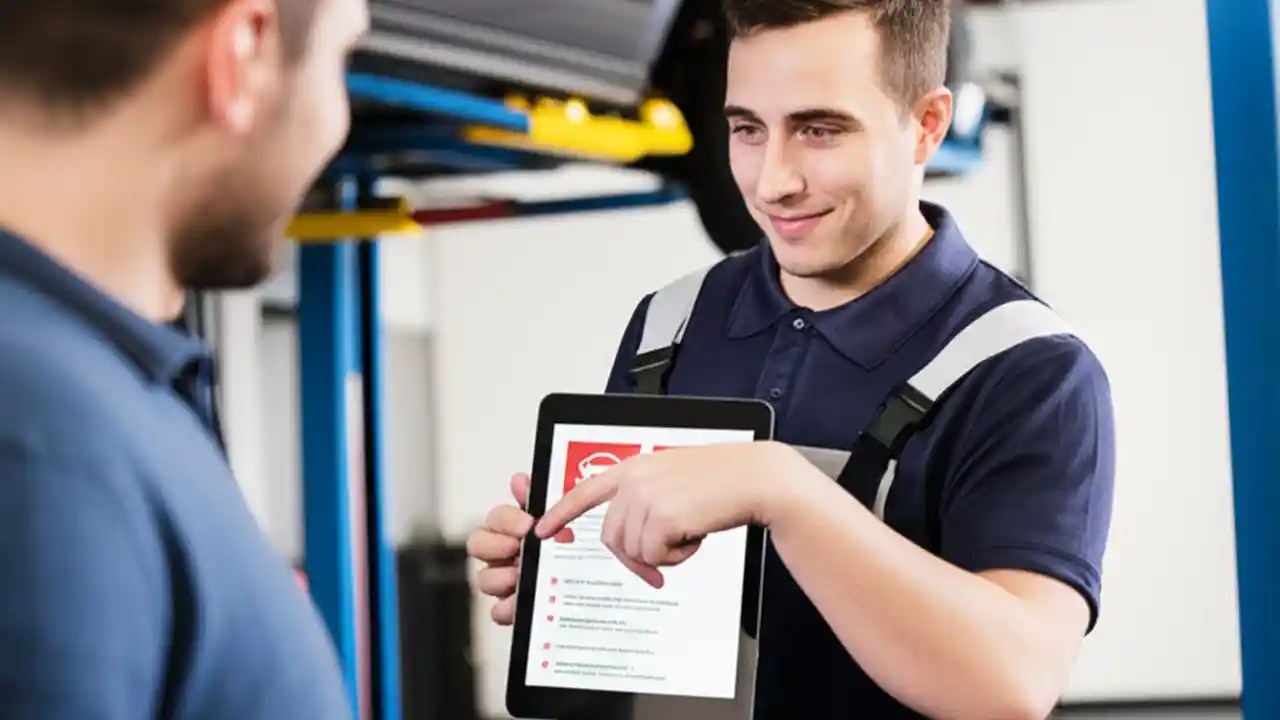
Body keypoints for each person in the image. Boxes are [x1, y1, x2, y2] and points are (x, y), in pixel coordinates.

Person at [466, 1, 1116, 718]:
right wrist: (570, 579)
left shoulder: (1029, 371)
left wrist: (786, 489)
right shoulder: (668, 325)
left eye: (819, 130)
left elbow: (1010, 686)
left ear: (927, 124)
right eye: (747, 129)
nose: (773, 180)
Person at [0, 0, 367, 717]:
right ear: (244, 55)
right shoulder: (41, 442)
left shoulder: (89, 389)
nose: (337, 124)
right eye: (342, 60)